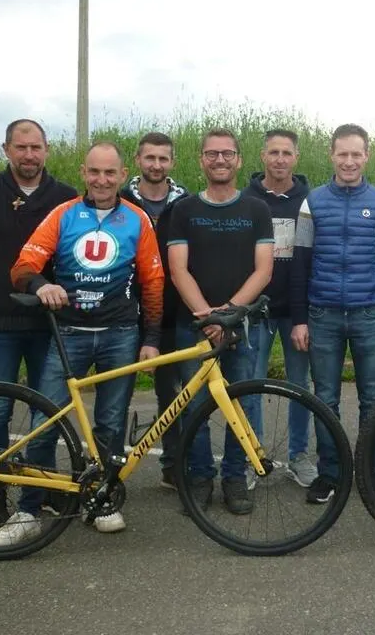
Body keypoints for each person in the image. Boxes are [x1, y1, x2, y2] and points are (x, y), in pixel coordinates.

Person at [0, 142, 164, 545]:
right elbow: (23, 266)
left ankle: (100, 500)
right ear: (83, 173)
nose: (102, 180)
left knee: (109, 423)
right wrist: (41, 284)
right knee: (45, 421)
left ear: (123, 176)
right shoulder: (64, 214)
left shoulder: (137, 219)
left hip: (120, 334)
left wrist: (151, 339)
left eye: (110, 173)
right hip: (67, 334)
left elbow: (153, 283)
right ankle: (28, 510)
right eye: (94, 172)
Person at [0, 119, 77, 532]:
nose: (29, 155)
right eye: (21, 147)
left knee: (47, 410)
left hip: (49, 323)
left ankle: (37, 492)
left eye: (36, 147)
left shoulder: (65, 198)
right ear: (6, 149)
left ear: (47, 149)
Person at [290, 124, 375, 505]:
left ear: (366, 156)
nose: (350, 161)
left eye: (357, 154)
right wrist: (300, 319)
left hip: (370, 314)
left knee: (374, 399)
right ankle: (330, 475)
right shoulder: (313, 202)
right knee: (325, 398)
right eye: (343, 154)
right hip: (323, 315)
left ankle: (372, 474)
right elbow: (300, 262)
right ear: (331, 156)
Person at [168, 129, 275, 515]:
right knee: (195, 406)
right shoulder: (183, 210)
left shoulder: (256, 210)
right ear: (201, 160)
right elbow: (178, 270)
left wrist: (228, 312)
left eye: (227, 154)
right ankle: (199, 479)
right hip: (193, 326)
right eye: (212, 154)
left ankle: (233, 478)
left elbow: (263, 270)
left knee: (239, 404)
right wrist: (209, 317)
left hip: (241, 325)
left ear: (239, 160)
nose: (220, 160)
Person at [243, 128, 316, 488]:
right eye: (273, 152)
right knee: (250, 385)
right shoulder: (246, 199)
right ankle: (252, 455)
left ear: (296, 157)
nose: (280, 159)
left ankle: (300, 456)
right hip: (256, 311)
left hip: (297, 310)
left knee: (299, 384)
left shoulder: (310, 200)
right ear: (263, 156)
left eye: (286, 153)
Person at [119, 131, 189, 490]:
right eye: (150, 158)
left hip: (174, 315)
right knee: (114, 398)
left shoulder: (188, 203)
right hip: (122, 316)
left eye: (163, 159)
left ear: (172, 162)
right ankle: (108, 473)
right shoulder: (117, 200)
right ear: (138, 160)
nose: (156, 165)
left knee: (173, 395)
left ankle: (174, 469)